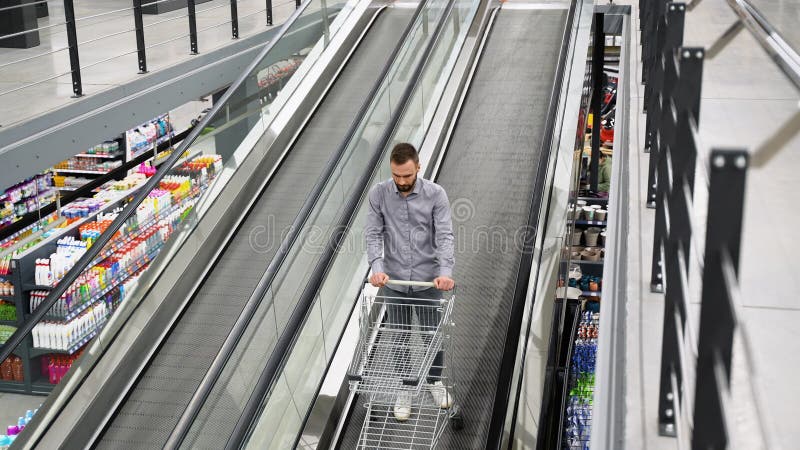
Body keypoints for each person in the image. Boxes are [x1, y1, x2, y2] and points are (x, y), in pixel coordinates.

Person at [365, 142, 455, 421]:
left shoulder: (436, 194)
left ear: (418, 167)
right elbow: (372, 235)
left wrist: (446, 272)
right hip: (395, 281)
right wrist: (377, 268)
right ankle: (405, 388)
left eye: (407, 175)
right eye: (396, 176)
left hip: (430, 282)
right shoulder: (378, 194)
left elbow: (444, 236)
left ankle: (433, 382)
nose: (402, 181)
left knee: (432, 336)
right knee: (400, 338)